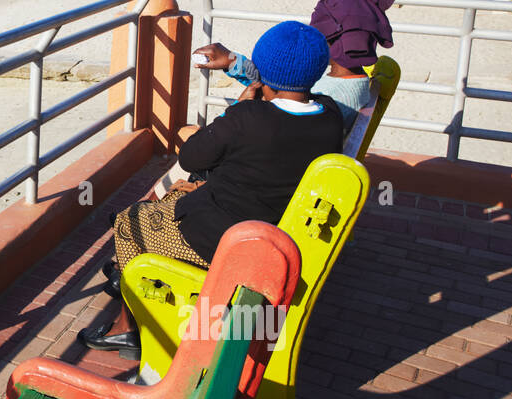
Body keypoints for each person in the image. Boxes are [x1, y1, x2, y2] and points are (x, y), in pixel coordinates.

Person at [81, 21, 343, 354]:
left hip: (221, 241)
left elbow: (191, 157)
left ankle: (126, 325)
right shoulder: (330, 117)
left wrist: (240, 106)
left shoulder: (248, 118)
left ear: (263, 72)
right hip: (271, 232)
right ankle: (123, 278)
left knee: (129, 222)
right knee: (176, 194)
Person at [194, 0, 394, 132]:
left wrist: (237, 110)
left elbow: (234, 137)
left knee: (189, 134)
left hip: (260, 171)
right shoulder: (349, 86)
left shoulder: (331, 97)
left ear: (327, 37)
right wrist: (232, 61)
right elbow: (283, 82)